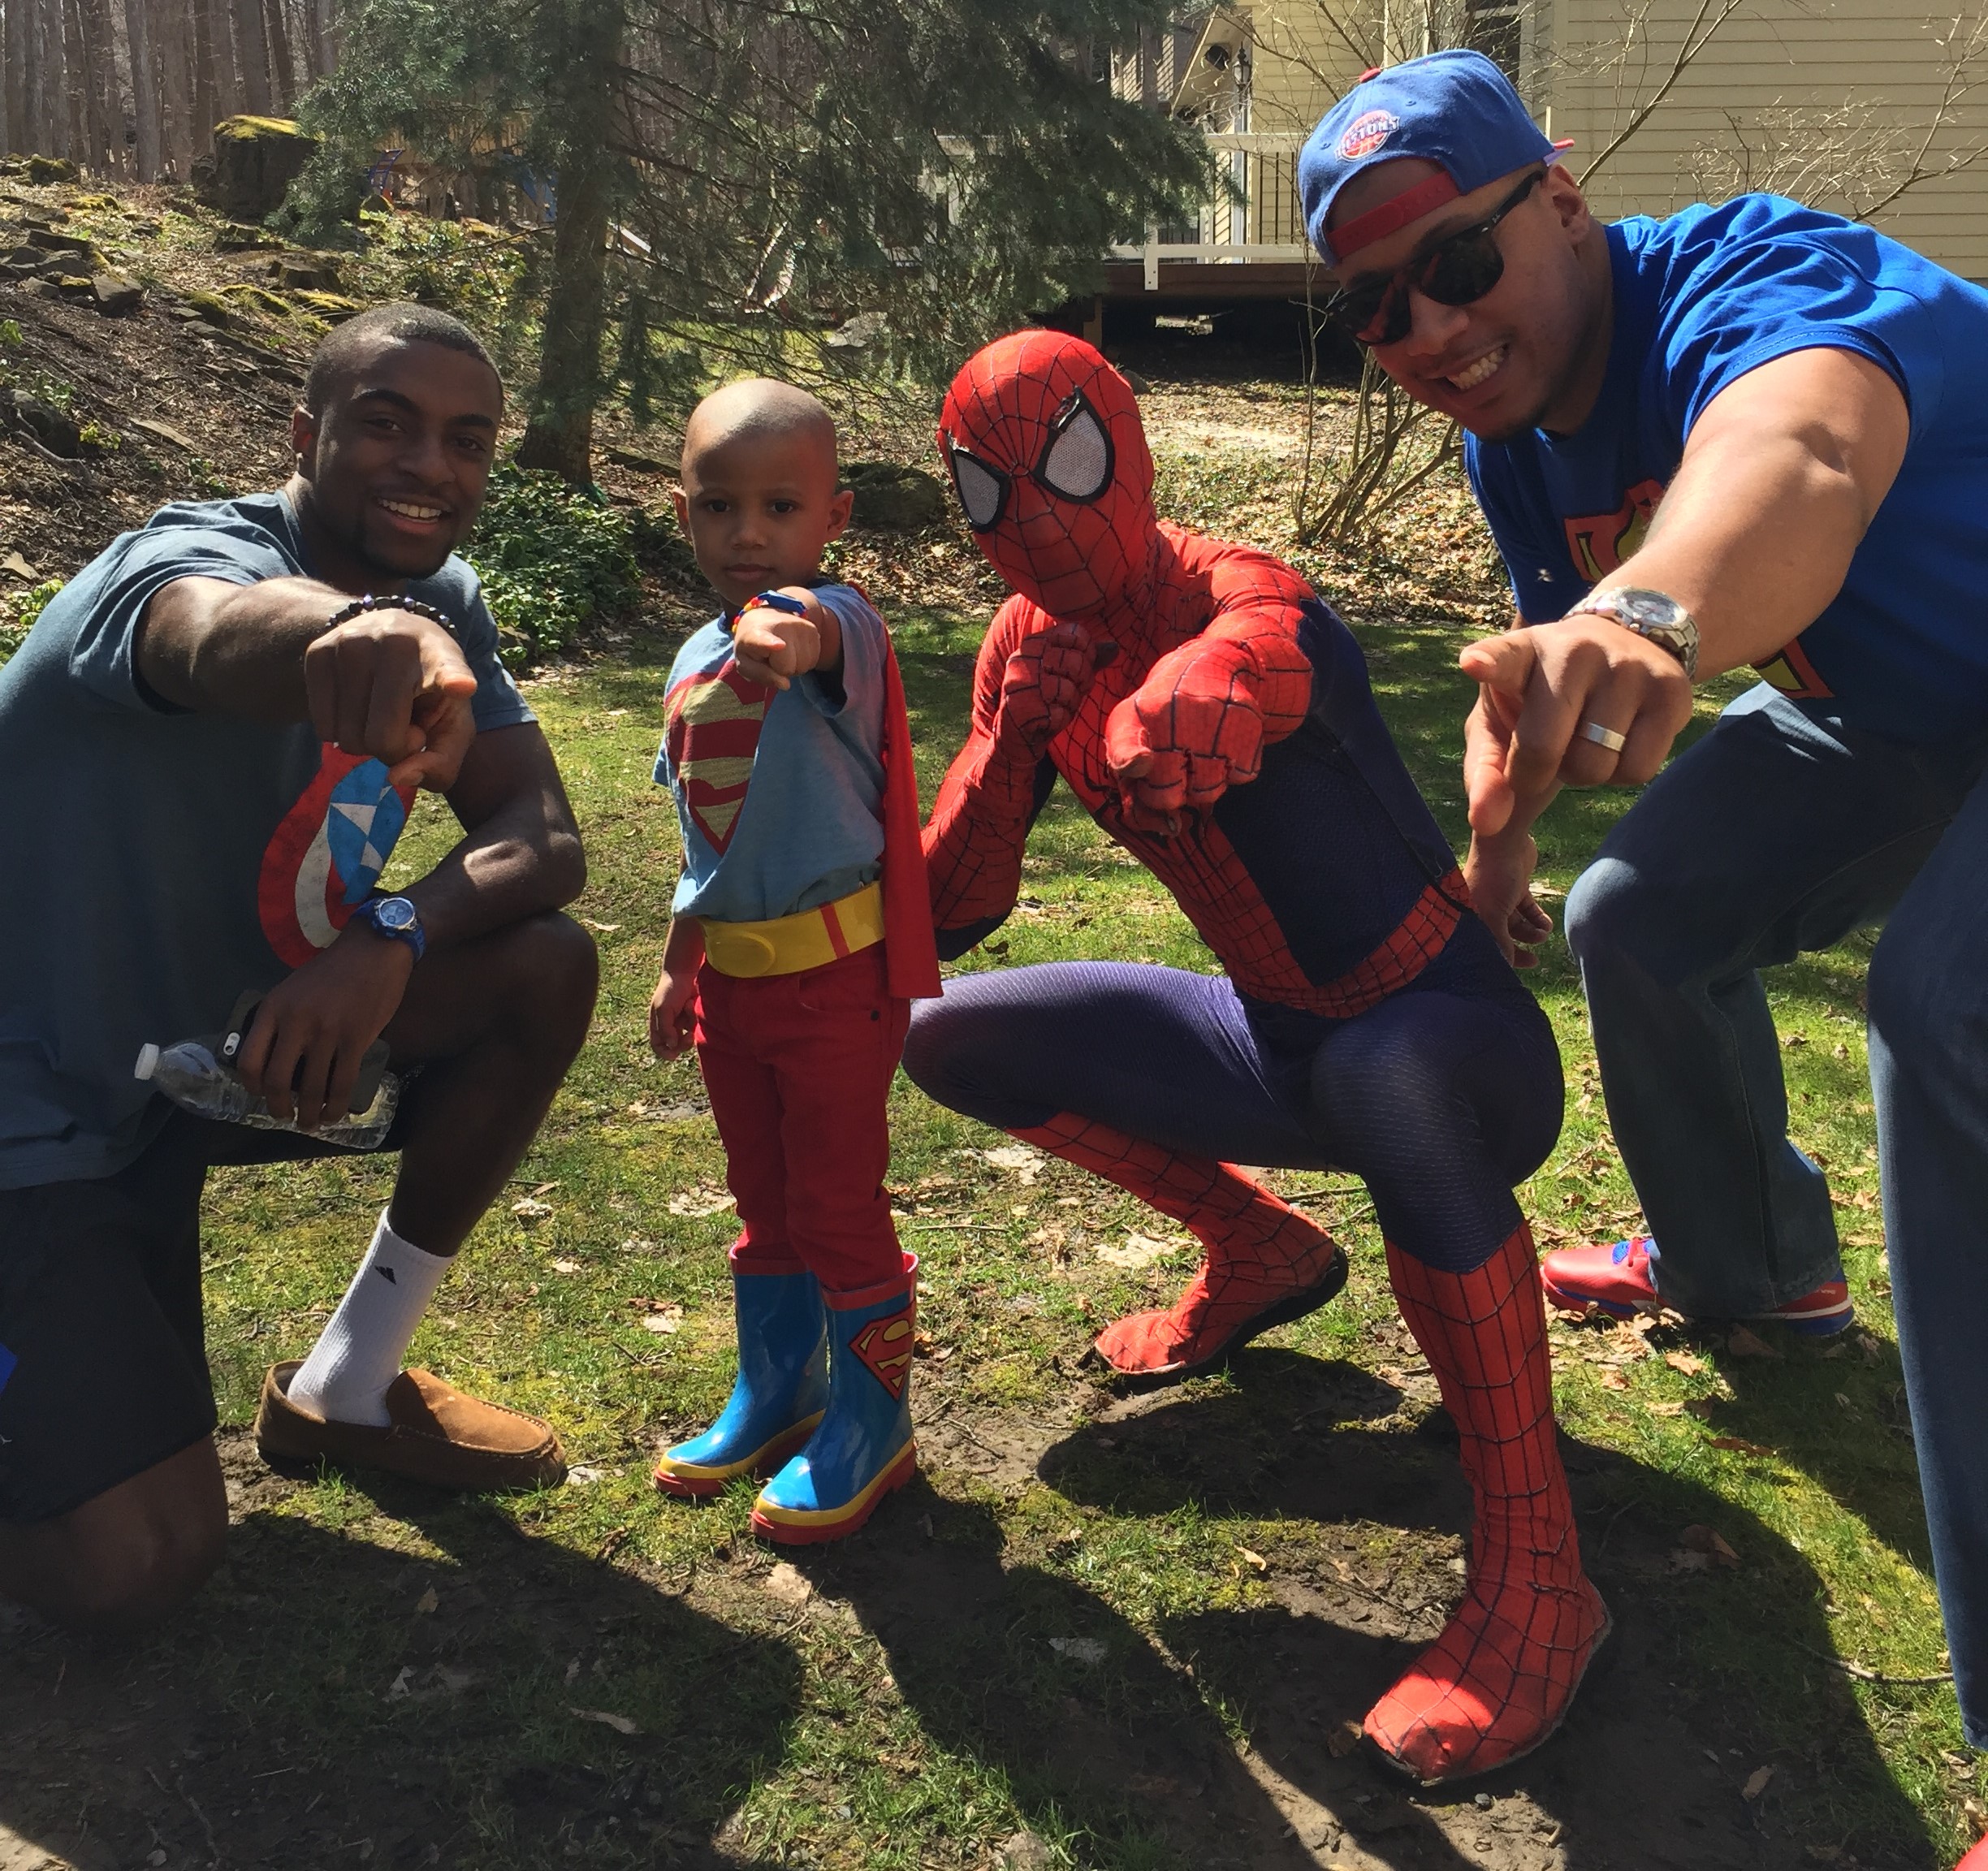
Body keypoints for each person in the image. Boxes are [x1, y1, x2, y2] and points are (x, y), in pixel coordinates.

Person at [1297, 49, 1988, 1762]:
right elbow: (1556, 664)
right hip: (1894, 712)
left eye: (1456, 264)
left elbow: (1805, 449)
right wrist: (1504, 853)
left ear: (1563, 196)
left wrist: (1660, 613)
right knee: (1639, 918)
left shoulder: (1762, 273)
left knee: (1946, 1004)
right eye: (1380, 314)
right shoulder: (1518, 444)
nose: (1433, 334)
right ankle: (1757, 1271)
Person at [902, 328, 1606, 1782]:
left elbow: (1267, 647)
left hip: (1453, 1036)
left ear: (1127, 449)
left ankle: (1542, 1569)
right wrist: (1000, 756)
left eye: (1065, 471)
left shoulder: (1235, 588)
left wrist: (1202, 688)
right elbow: (952, 913)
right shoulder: (1025, 646)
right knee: (951, 1039)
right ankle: (1262, 1251)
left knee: (1384, 1074)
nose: (1032, 522)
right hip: (1276, 1037)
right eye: (989, 494)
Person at [0, 303, 599, 1633]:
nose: (429, 465)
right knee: (136, 1567)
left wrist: (387, 938)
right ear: (303, 434)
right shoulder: (172, 564)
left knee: (542, 968)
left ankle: (349, 1386)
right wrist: (343, 639)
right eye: (385, 423)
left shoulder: (442, 599)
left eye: (465, 440)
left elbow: (542, 835)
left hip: (190, 1063)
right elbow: (211, 633)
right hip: (29, 1094)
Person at [646, 380, 939, 1545]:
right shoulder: (689, 659)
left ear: (835, 515)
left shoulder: (841, 630)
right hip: (735, 988)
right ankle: (780, 1391)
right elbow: (700, 841)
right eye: (720, 507)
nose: (748, 534)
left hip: (833, 991)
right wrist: (680, 967)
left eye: (780, 506)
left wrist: (791, 627)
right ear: (685, 513)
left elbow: (816, 634)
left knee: (835, 1205)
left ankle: (878, 1422)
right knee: (765, 1203)